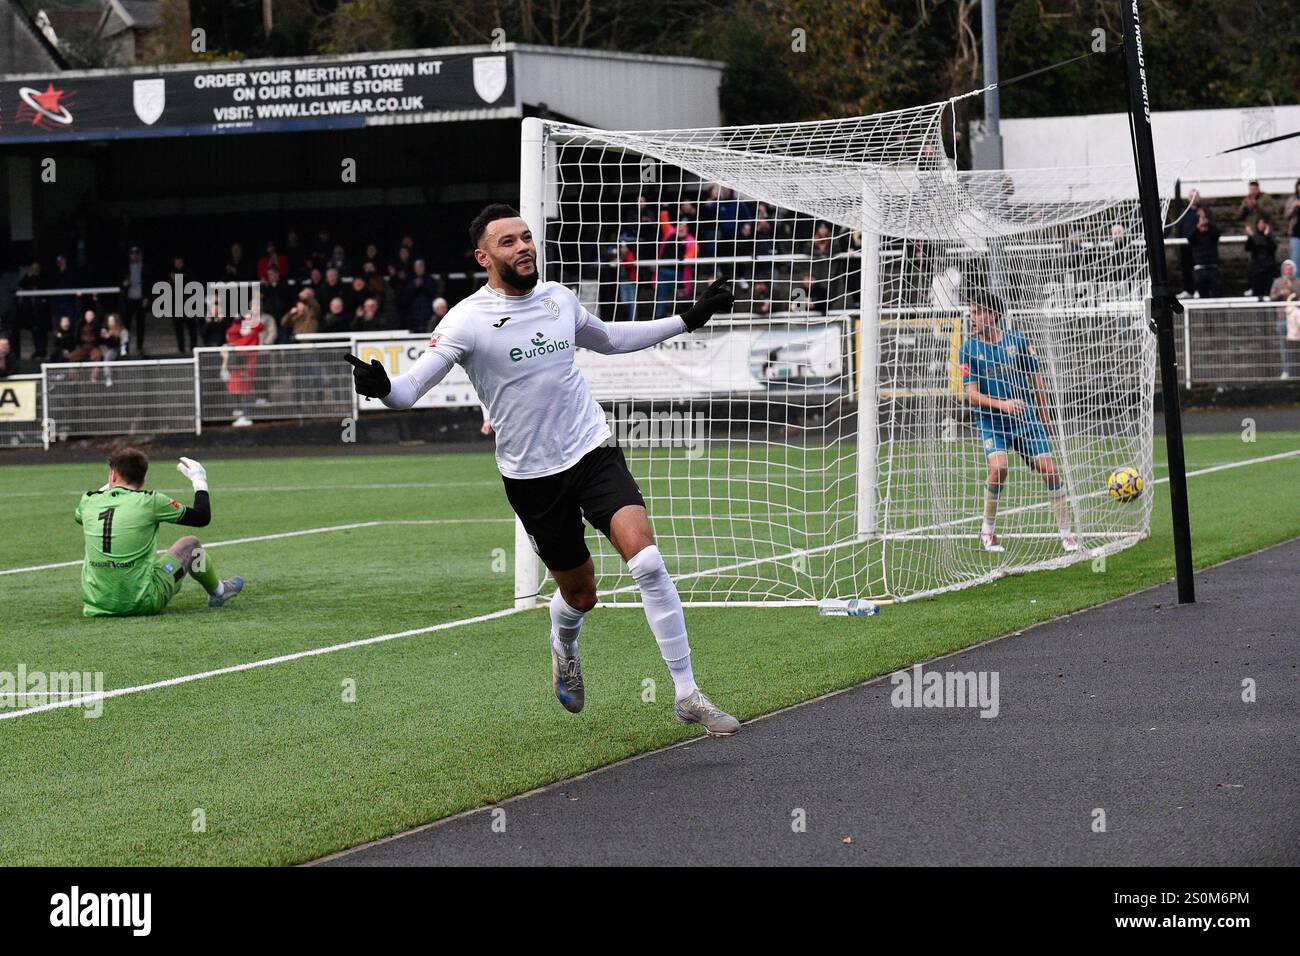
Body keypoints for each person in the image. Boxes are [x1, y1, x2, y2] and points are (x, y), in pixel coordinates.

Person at [346, 203, 741, 735]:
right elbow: (411, 390)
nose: (523, 247)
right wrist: (383, 388)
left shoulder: (559, 300)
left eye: (526, 237)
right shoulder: (467, 319)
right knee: (582, 595)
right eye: (508, 242)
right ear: (484, 257)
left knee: (646, 559)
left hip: (592, 449)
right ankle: (564, 643)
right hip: (532, 478)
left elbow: (611, 339)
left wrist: (688, 318)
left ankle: (688, 693)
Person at [959, 292, 1078, 555]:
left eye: (978, 312)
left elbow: (1037, 378)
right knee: (999, 469)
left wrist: (1045, 417)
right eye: (971, 313)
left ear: (993, 315)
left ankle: (1067, 536)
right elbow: (971, 394)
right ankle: (987, 531)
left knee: (1051, 471)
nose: (973, 318)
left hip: (1025, 418)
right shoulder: (968, 349)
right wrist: (1003, 404)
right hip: (993, 421)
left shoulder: (1018, 340)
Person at [73, 447, 243, 617]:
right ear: (143, 479)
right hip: (143, 602)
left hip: (96, 604)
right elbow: (202, 517)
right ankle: (219, 591)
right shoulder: (151, 501)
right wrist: (199, 481)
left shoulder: (88, 501)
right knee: (192, 545)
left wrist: (110, 485)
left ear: (113, 475)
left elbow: (79, 516)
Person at [1270, 259, 1300, 379]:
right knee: (1284, 346)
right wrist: (1281, 293)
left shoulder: (1298, 282)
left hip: (1297, 318)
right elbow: (1272, 297)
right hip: (1282, 318)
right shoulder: (1277, 282)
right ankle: (1286, 370)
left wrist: (1293, 290)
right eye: (1286, 269)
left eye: (1290, 269)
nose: (1288, 271)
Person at [1186, 207, 1221, 297]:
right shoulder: (1194, 234)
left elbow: (1217, 233)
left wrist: (1208, 223)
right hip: (1200, 269)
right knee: (1202, 294)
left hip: (1212, 267)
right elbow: (1190, 238)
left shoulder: (1212, 232)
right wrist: (1198, 228)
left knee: (1216, 293)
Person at [1244, 216, 1278, 298]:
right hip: (1257, 268)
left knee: (1269, 290)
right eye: (1259, 223)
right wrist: (1251, 237)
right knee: (1258, 291)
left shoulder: (1271, 237)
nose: (1261, 225)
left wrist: (1267, 236)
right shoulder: (1253, 237)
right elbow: (1247, 247)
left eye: (1263, 223)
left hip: (1269, 267)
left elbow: (1273, 248)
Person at [1285, 179, 1300, 268]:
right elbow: (1286, 216)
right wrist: (1293, 208)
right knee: (1296, 262)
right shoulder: (1292, 199)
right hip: (1296, 234)